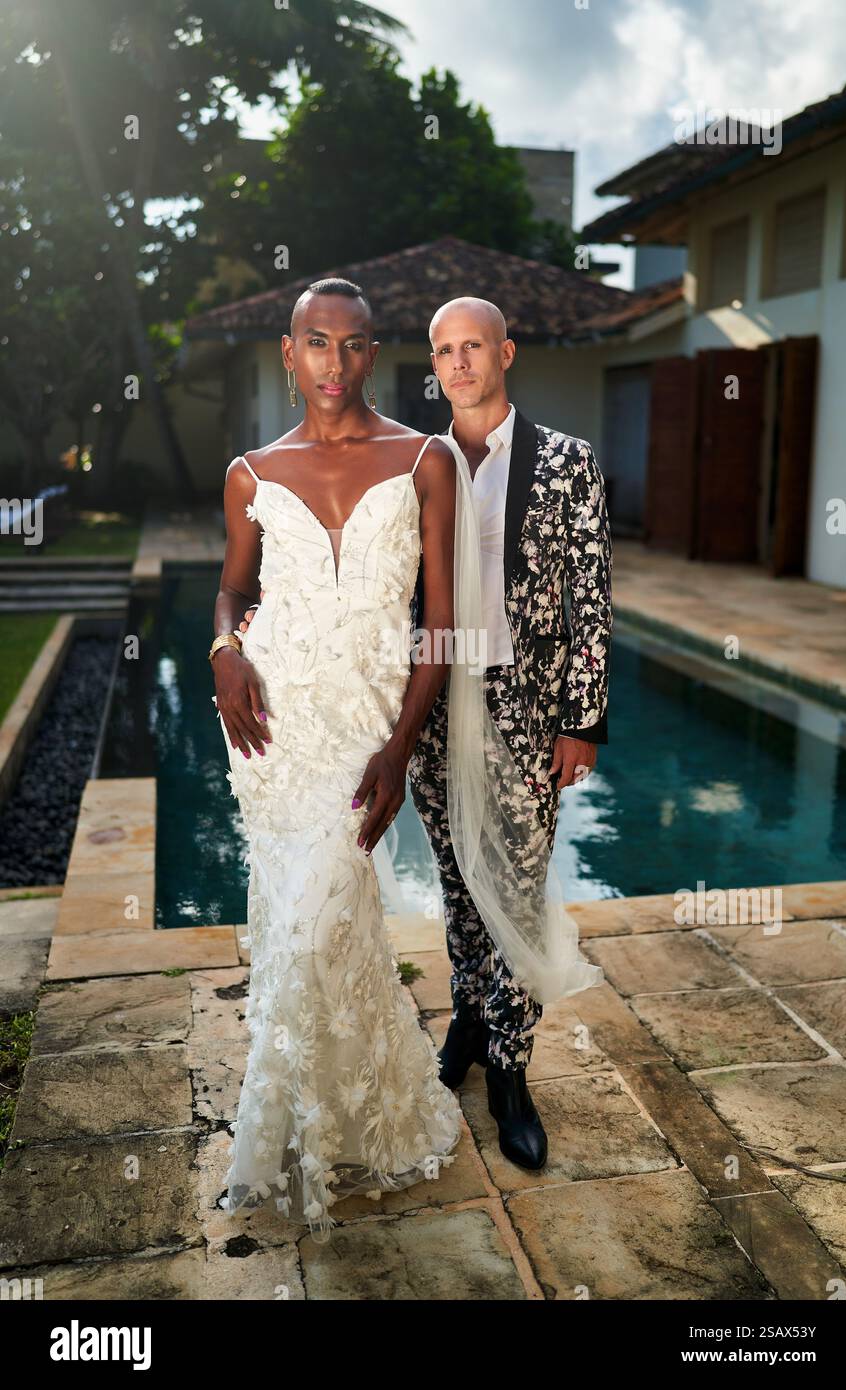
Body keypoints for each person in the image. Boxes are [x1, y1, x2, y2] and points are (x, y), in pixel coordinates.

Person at [238, 292, 612, 1180]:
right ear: (432, 363)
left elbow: (591, 598)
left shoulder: (566, 462)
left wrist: (583, 719)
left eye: (474, 346)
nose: (460, 363)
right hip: (431, 700)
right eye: (445, 350)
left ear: (506, 353)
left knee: (514, 883)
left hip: (523, 706)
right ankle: (472, 1022)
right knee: (456, 878)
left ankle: (512, 1075)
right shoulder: (421, 460)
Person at [210, 276, 462, 1244]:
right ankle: (300, 1127)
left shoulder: (424, 461)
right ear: (289, 352)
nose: (335, 364)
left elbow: (438, 629)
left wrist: (400, 746)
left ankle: (351, 1111)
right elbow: (231, 594)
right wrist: (225, 654)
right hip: (273, 730)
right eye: (316, 343)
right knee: (303, 931)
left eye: (353, 345)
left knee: (319, 926)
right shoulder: (249, 473)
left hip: (362, 730)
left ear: (373, 352)